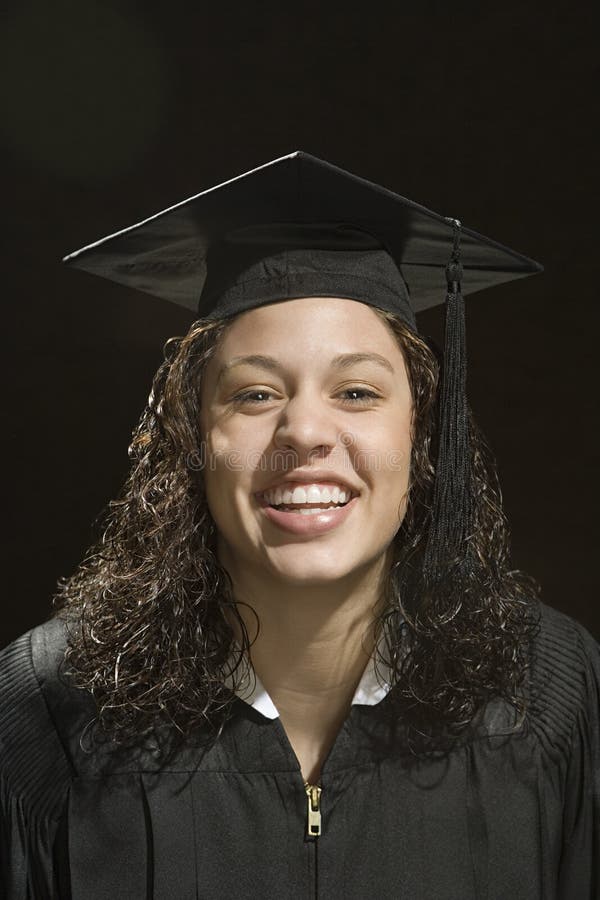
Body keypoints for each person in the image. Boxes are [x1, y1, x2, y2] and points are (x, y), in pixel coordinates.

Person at [1, 152, 598, 899]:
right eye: (253, 395)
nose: (305, 430)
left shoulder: (546, 692)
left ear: (422, 435)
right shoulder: (52, 704)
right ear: (192, 435)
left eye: (356, 391)